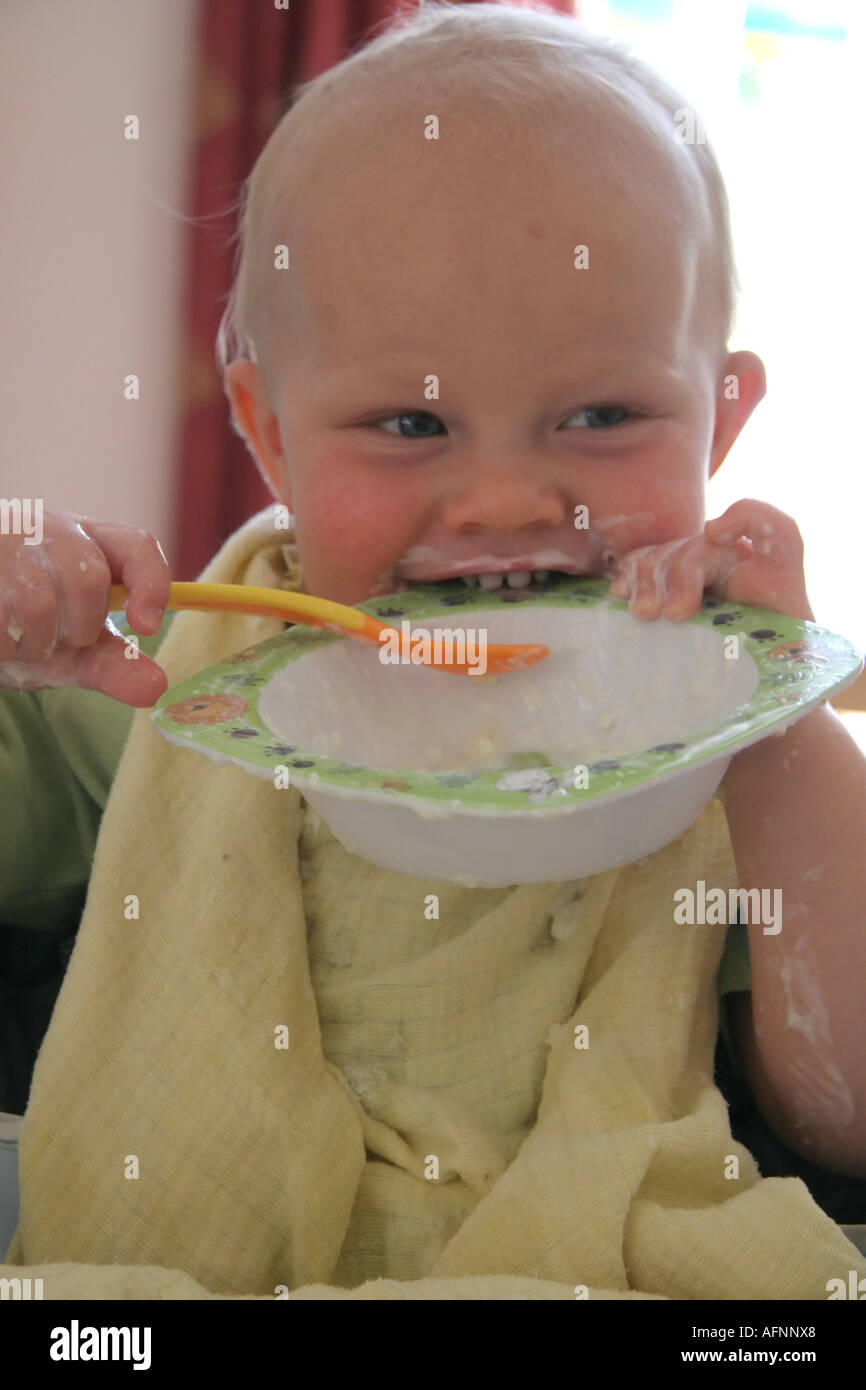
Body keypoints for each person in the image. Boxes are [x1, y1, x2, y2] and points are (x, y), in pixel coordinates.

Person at [1, 1, 864, 1300]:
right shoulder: (177, 677)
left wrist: (775, 728)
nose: (507, 500)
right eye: (411, 421)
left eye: (601, 414)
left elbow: (847, 1107)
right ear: (272, 434)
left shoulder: (704, 716)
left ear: (718, 419)